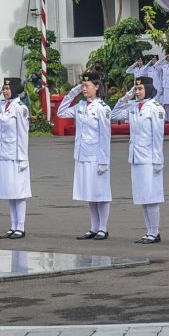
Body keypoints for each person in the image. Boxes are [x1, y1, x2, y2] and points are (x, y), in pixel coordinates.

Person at [58, 72, 112, 240]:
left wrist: (104, 161)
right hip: (82, 155)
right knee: (90, 193)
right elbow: (61, 112)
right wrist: (73, 92)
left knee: (100, 193)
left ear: (96, 87)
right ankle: (93, 227)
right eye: (83, 86)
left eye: (87, 86)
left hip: (97, 157)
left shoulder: (103, 109)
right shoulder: (80, 106)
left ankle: (103, 228)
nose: (85, 89)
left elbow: (105, 136)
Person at [112, 76, 165, 244]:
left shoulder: (155, 109)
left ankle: (155, 232)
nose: (137, 92)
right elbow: (114, 114)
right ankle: (148, 231)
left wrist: (158, 159)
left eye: (140, 89)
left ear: (148, 89)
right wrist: (126, 97)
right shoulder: (134, 107)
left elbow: (158, 136)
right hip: (136, 157)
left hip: (150, 158)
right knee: (142, 196)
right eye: (136, 89)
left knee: (152, 196)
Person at [0, 77, 31, 240]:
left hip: (16, 155)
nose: (5, 91)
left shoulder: (20, 108)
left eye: (8, 88)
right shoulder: (1, 106)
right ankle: (13, 225)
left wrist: (23, 158)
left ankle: (20, 227)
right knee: (10, 192)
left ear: (15, 89)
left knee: (19, 192)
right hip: (3, 154)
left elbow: (23, 134)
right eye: (4, 88)